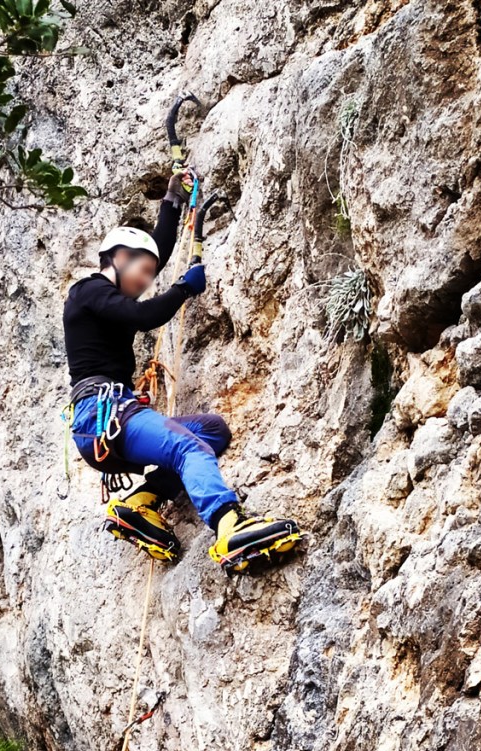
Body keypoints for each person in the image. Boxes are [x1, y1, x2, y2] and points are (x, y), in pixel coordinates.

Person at [62, 170, 303, 572]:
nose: (145, 281)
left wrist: (173, 200)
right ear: (117, 258)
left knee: (210, 431)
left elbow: (158, 248)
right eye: (140, 270)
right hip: (102, 417)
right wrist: (184, 288)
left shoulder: (108, 296)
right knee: (187, 448)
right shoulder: (88, 292)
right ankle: (230, 527)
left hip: (113, 419)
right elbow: (144, 316)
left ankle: (139, 505)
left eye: (151, 275)